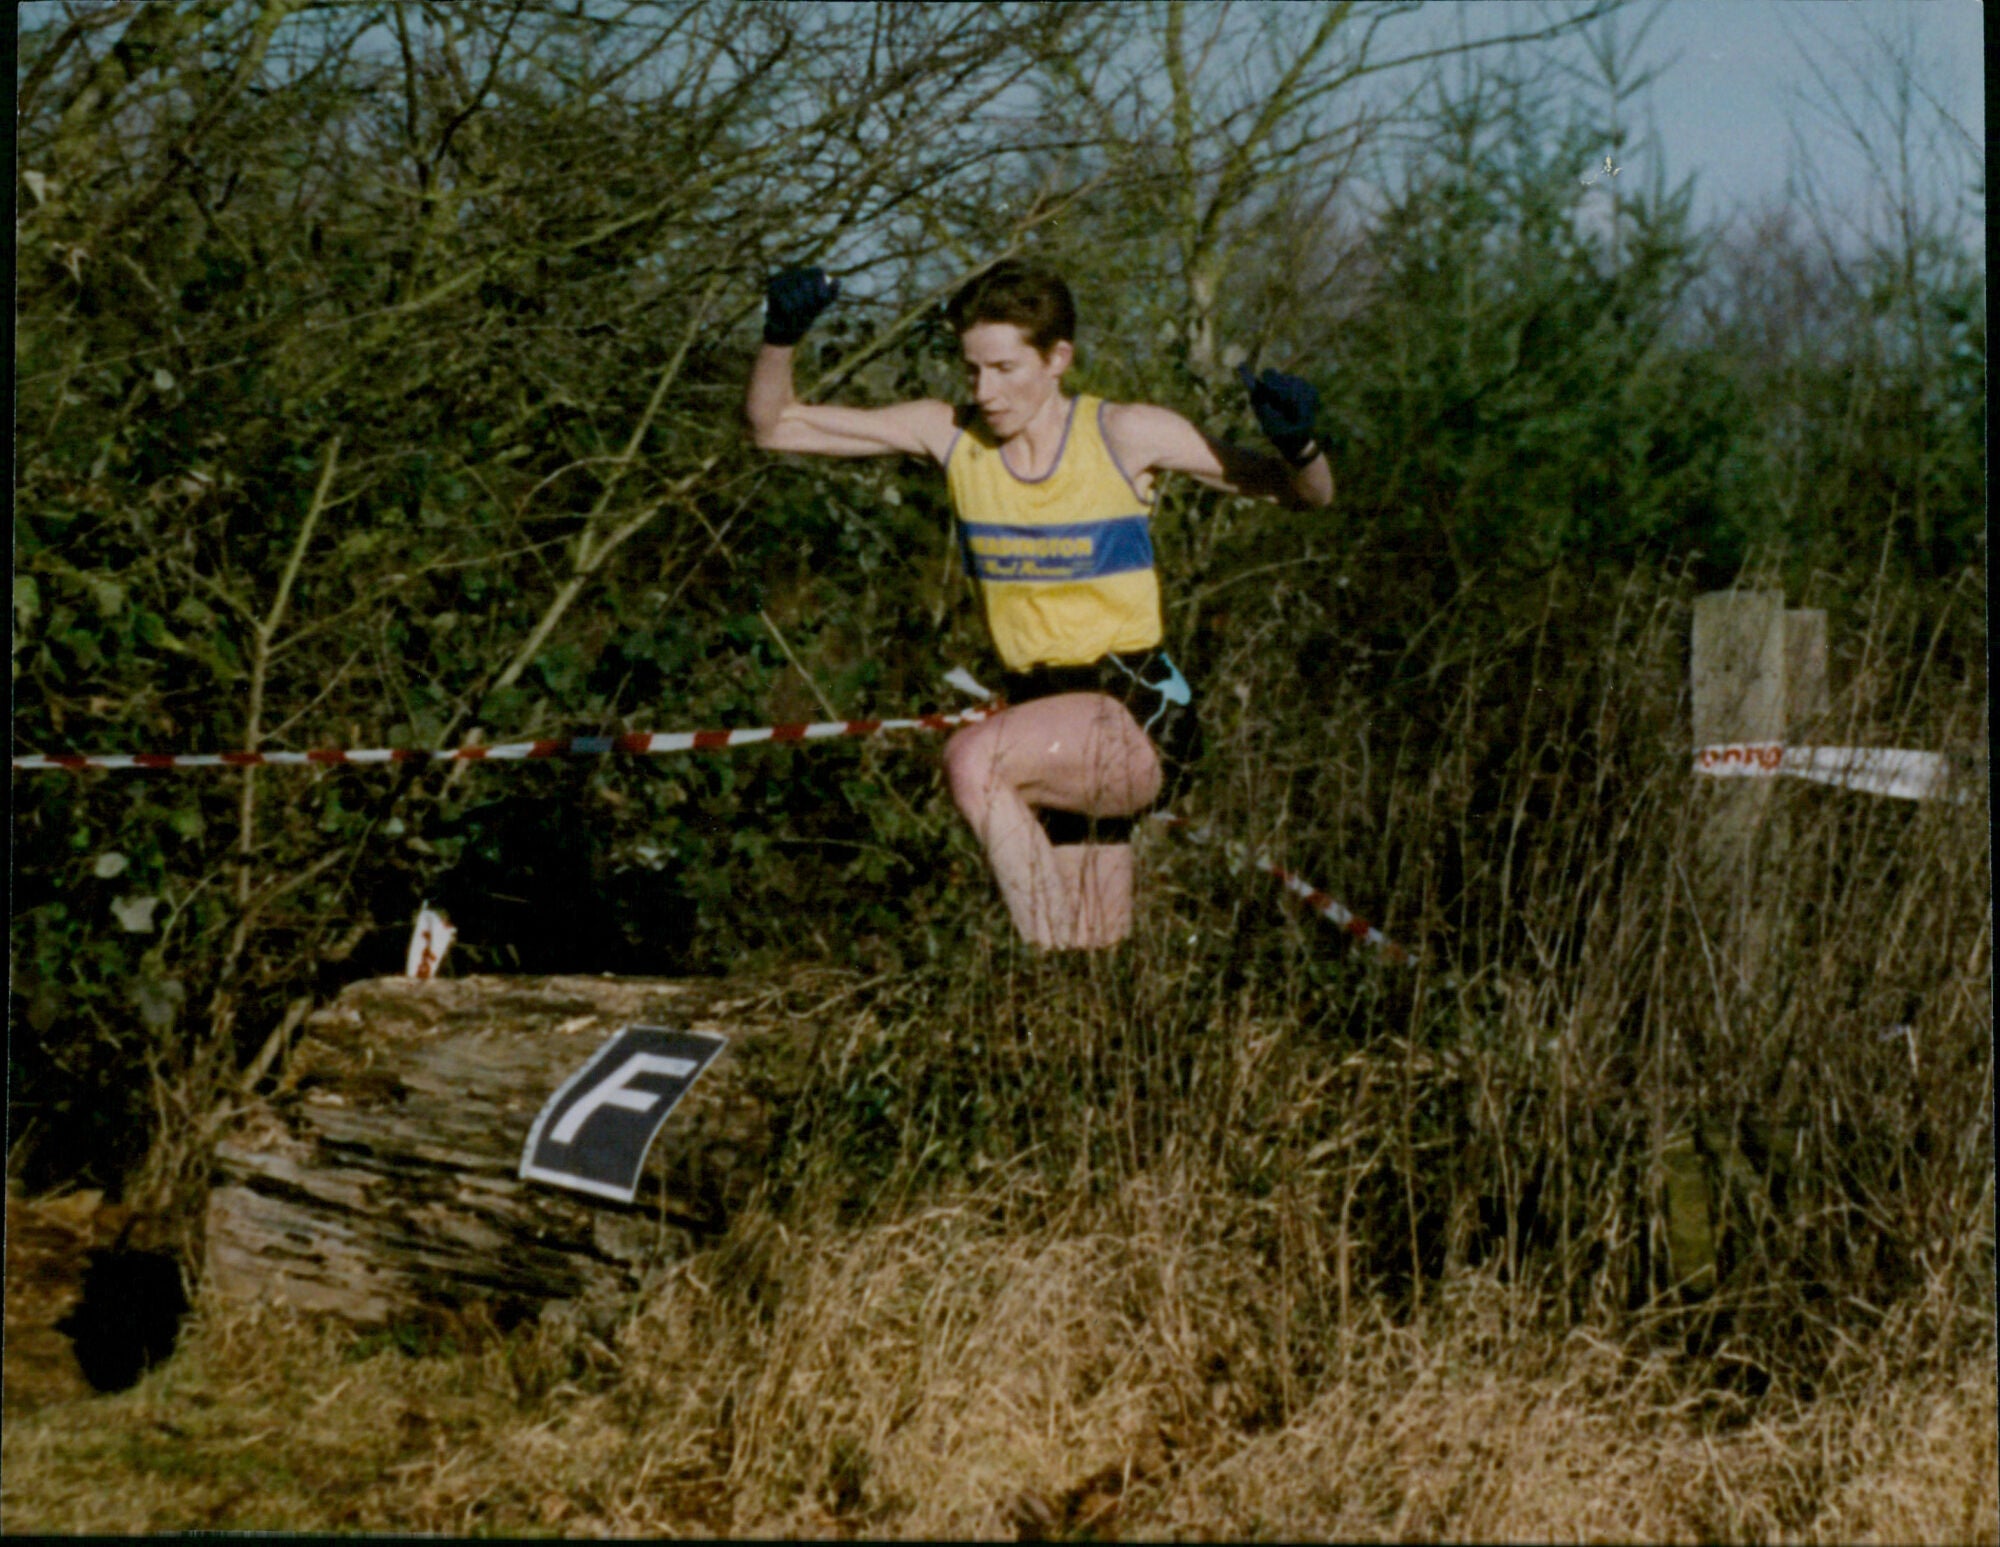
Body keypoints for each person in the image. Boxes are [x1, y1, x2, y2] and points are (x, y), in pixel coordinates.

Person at [744, 258, 1333, 950]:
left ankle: (1043, 968)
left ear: (1058, 358)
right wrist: (779, 337)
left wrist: (1300, 446)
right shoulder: (952, 435)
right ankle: (1075, 1015)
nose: (985, 391)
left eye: (1004, 368)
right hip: (1042, 719)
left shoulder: (1124, 434)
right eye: (972, 371)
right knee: (1092, 968)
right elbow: (774, 426)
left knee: (975, 763)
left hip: (1134, 706)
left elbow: (1307, 495)